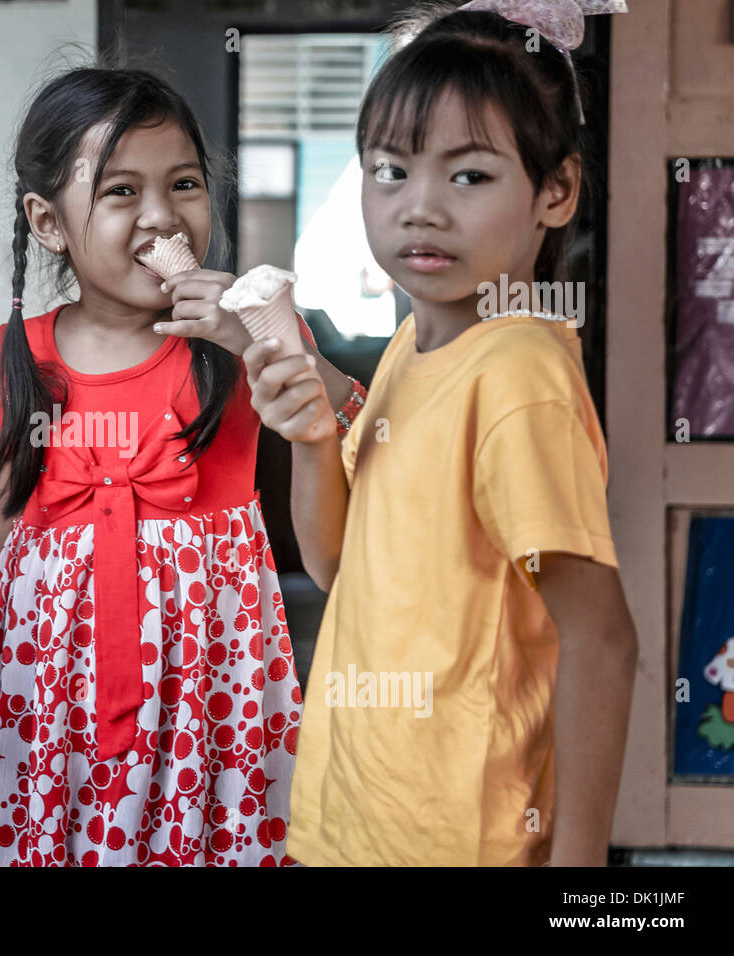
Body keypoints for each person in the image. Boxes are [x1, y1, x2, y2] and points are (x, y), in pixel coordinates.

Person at [0, 66, 367, 865]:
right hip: (43, 714)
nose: (163, 216)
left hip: (211, 709)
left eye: (183, 184)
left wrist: (266, 345)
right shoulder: (10, 366)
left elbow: (362, 430)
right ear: (47, 221)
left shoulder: (249, 340)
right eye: (120, 192)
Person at [246, 2, 637, 865]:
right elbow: (341, 569)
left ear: (556, 191)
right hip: (354, 821)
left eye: (468, 176)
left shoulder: (516, 374)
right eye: (389, 171)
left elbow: (602, 640)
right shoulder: (409, 351)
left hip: (467, 839)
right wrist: (314, 437)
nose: (419, 208)